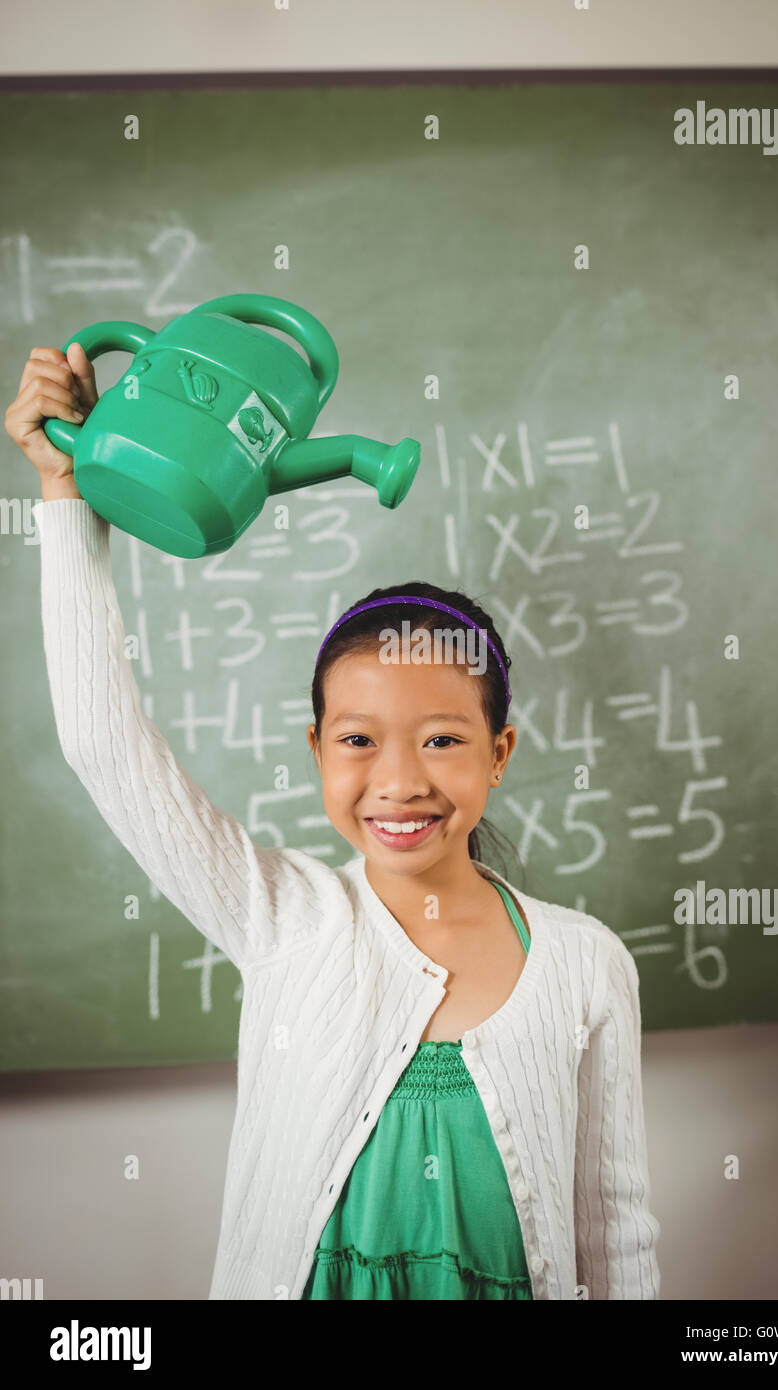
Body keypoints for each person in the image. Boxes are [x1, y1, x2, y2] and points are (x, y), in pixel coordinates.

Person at [6, 344, 662, 1300]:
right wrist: (66, 492)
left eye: (442, 740)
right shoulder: (283, 921)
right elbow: (103, 746)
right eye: (359, 739)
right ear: (317, 750)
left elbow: (617, 1235)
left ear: (500, 754)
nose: (398, 782)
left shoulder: (588, 963)